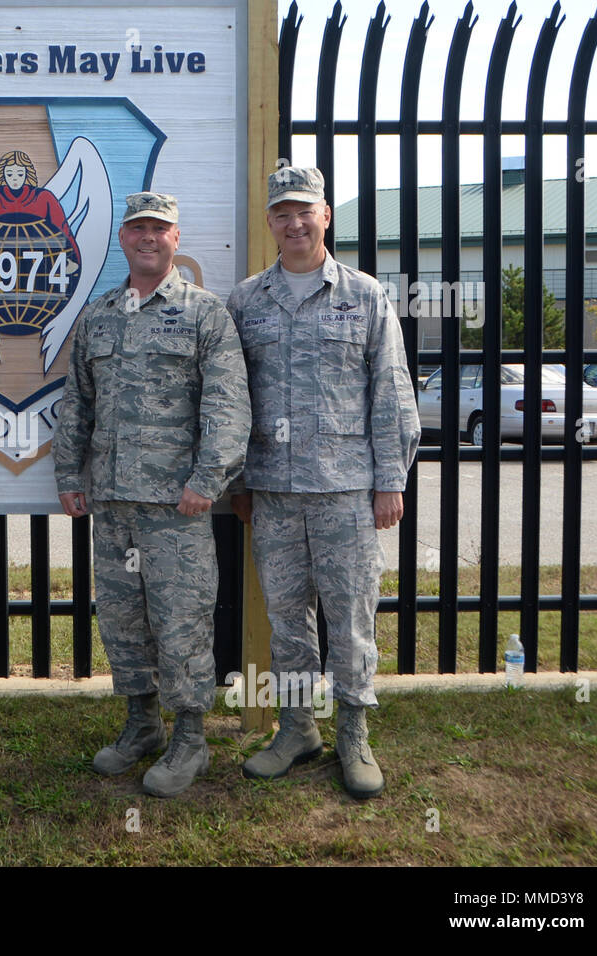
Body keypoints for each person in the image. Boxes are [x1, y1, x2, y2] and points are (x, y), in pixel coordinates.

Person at [226, 166, 420, 799]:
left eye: (305, 210)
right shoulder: (248, 300)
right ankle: (296, 728)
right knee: (287, 624)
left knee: (351, 616)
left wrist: (390, 479)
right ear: (270, 224)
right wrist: (239, 481)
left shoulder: (364, 296)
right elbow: (232, 400)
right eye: (282, 212)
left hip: (345, 491)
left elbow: (391, 392)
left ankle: (355, 734)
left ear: (326, 216)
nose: (294, 222)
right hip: (274, 495)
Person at [52, 192, 250, 797]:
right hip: (112, 504)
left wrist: (206, 481)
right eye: (138, 228)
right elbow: (76, 402)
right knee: (123, 619)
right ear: (122, 237)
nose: (148, 237)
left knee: (182, 620)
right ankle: (141, 723)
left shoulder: (204, 314)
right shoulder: (101, 315)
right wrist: (69, 475)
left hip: (177, 507)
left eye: (159, 228)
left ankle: (190, 739)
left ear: (175, 237)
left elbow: (228, 404)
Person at [0, 149, 80, 272]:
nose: (15, 178)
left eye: (20, 173)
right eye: (10, 173)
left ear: (27, 174)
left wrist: (74, 260)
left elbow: (64, 231)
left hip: (39, 269)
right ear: (3, 174)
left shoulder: (44, 198)